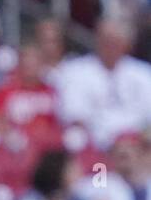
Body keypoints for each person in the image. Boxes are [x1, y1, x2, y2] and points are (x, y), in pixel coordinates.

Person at [53, 17, 151, 149]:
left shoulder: (143, 73)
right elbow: (73, 114)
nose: (109, 47)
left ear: (126, 44)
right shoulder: (75, 70)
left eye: (114, 41)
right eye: (104, 41)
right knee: (74, 137)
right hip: (92, 142)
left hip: (137, 144)